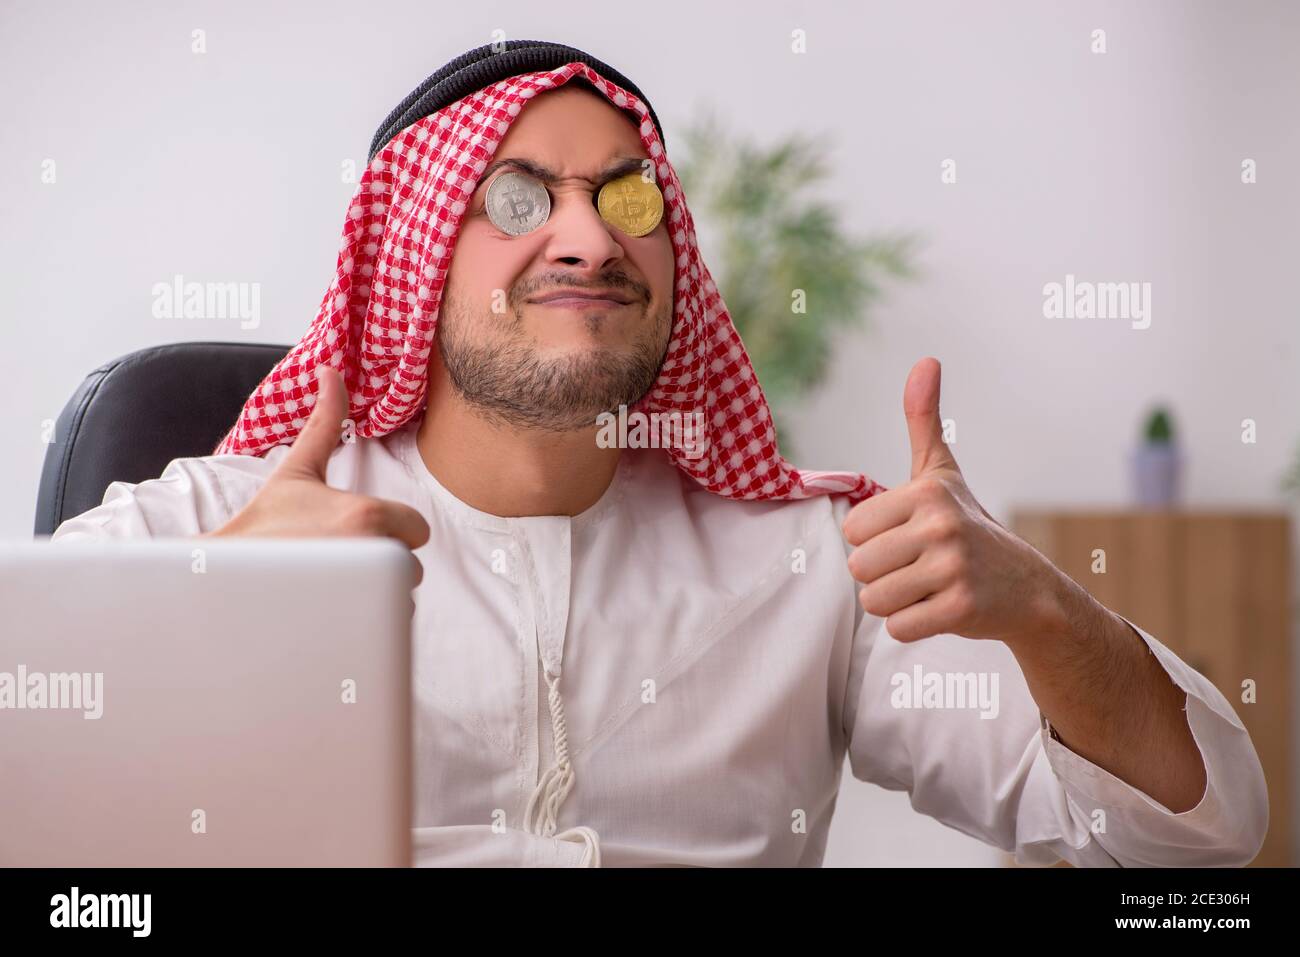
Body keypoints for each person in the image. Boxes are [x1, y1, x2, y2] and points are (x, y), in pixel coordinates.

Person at [51, 41, 1267, 868]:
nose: (587, 236)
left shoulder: (814, 569)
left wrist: (1049, 615)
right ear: (405, 263)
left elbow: (1197, 841)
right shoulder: (208, 524)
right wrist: (201, 618)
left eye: (629, 200)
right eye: (516, 200)